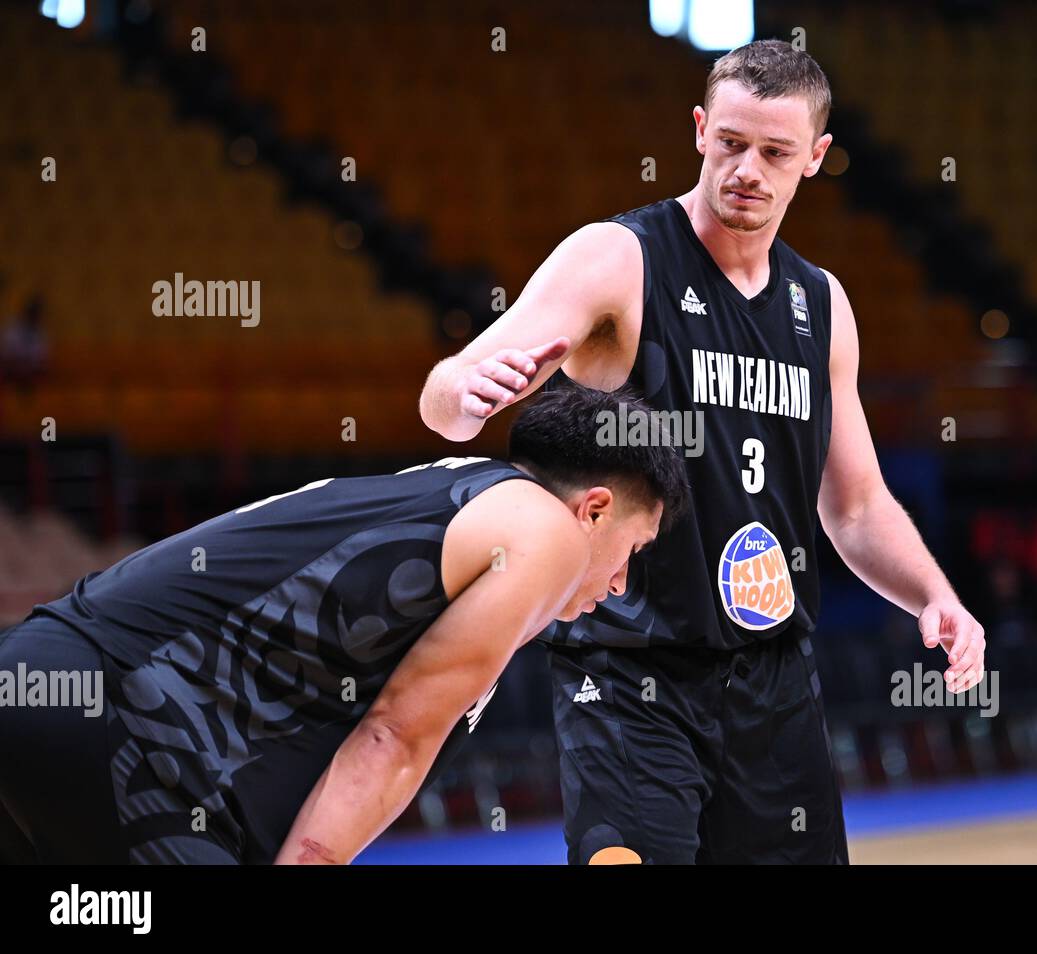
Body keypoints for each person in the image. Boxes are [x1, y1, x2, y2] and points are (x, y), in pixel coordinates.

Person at [419, 39, 986, 864]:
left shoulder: (821, 306)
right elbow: (448, 394)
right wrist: (462, 397)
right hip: (628, 674)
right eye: (730, 142)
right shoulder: (618, 259)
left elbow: (855, 504)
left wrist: (933, 595)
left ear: (816, 158)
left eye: (775, 152)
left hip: (773, 684)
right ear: (698, 130)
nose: (747, 169)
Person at [0, 386, 686, 864]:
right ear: (594, 510)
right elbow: (394, 732)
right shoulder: (545, 528)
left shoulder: (456, 501)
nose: (621, 583)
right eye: (635, 551)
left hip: (49, 687)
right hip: (121, 720)